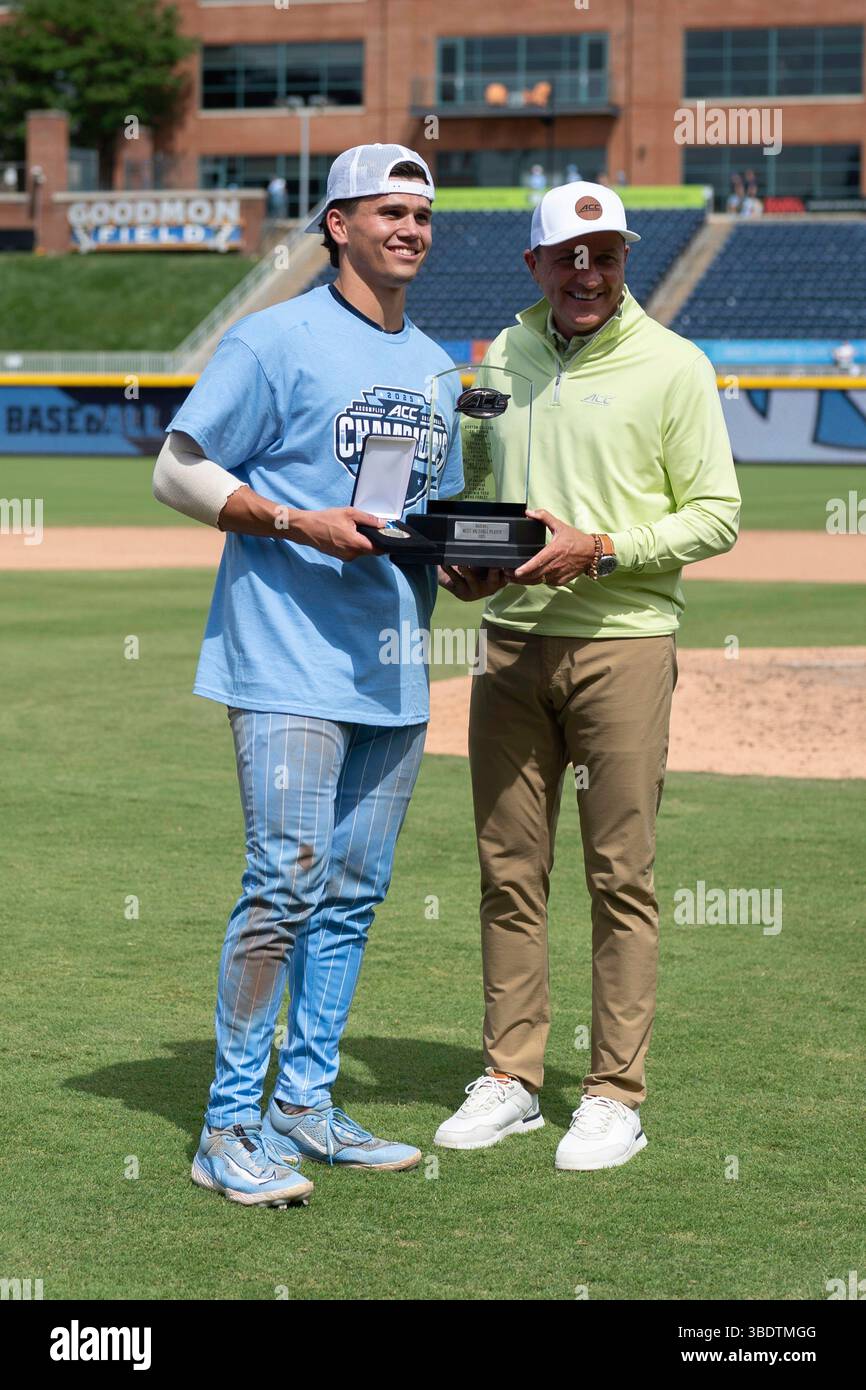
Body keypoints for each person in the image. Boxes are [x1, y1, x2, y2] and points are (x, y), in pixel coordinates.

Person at [152, 144, 472, 1206]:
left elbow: (424, 523)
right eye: (390, 211)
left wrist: (476, 559)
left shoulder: (436, 366)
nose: (411, 229)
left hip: (390, 668)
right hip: (284, 659)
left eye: (422, 214)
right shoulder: (274, 335)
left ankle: (305, 1103)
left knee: (351, 893)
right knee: (284, 881)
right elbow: (178, 467)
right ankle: (226, 1126)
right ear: (337, 224)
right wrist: (293, 518)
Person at [434, 180, 740, 1170]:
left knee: (620, 877)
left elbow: (714, 513)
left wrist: (598, 549)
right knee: (506, 872)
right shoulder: (497, 360)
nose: (585, 272)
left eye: (603, 254)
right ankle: (512, 1078)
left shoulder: (674, 365)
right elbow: (477, 486)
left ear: (622, 261)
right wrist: (463, 555)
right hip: (511, 645)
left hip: (623, 642)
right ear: (532, 266)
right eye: (566, 256)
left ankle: (613, 1094)